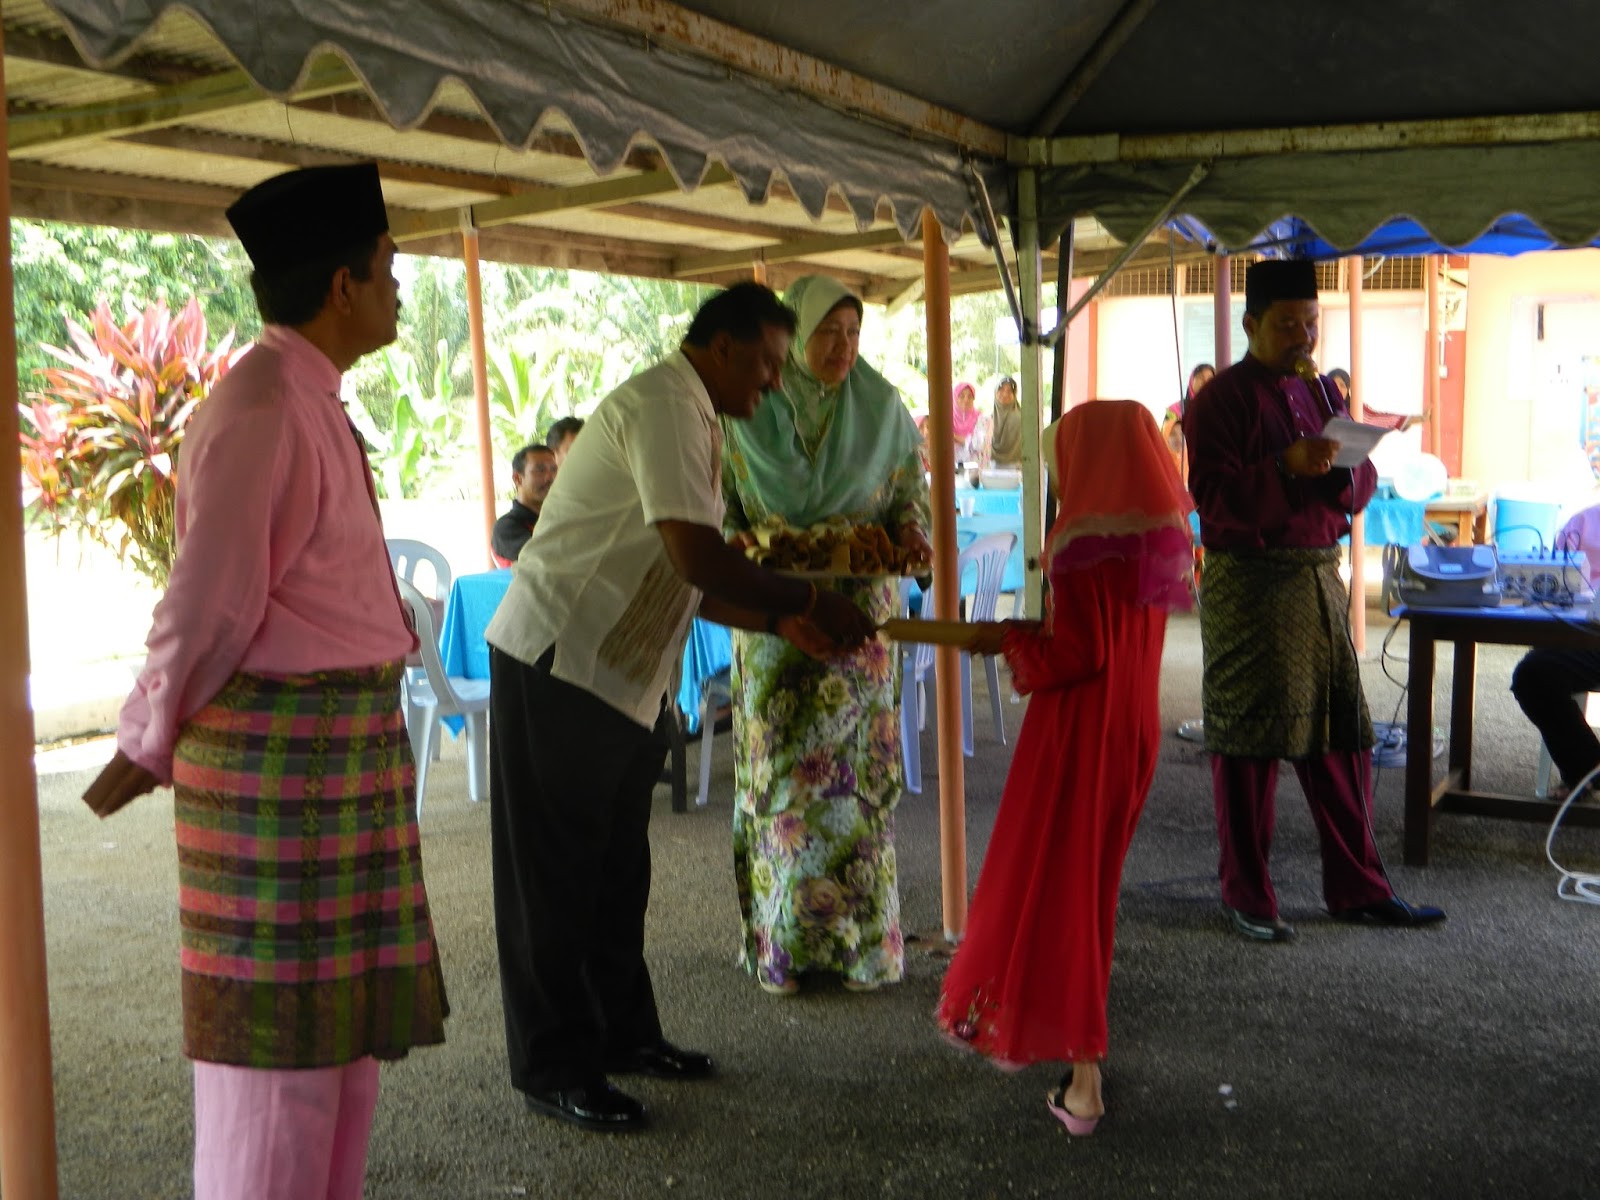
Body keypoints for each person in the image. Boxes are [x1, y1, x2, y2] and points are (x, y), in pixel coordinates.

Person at [80, 163, 448, 1200]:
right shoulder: (262, 406)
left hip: (330, 761)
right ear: (342, 286)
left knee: (338, 1059)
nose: (396, 291)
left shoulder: (301, 395)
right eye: (387, 269)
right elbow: (207, 603)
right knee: (272, 1073)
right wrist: (145, 740)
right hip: (278, 770)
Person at [483, 281, 877, 1133]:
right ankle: (554, 1064)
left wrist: (780, 617)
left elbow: (688, 574)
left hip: (623, 676)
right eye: (769, 364)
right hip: (561, 662)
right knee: (556, 878)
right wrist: (808, 597)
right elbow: (698, 557)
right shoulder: (667, 402)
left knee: (619, 870)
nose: (774, 384)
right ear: (724, 347)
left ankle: (624, 1036)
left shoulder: (698, 415)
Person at [936, 400, 1194, 1137]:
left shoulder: (1080, 538)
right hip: (1129, 729)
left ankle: (1084, 1078)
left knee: (1068, 899)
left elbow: (1076, 656)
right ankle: (1065, 1050)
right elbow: (1107, 640)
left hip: (1080, 732)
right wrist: (1023, 635)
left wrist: (1014, 645)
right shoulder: (1156, 532)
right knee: (1088, 893)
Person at [1183, 258, 1445, 942]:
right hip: (1252, 585)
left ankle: (1358, 886)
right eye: (1285, 325)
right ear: (1250, 326)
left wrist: (1340, 468)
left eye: (1310, 324)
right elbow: (1211, 499)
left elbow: (1358, 486)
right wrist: (1282, 468)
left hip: (1316, 581)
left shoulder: (1322, 390)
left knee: (1340, 737)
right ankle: (1247, 894)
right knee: (1248, 745)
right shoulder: (1220, 401)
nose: (1302, 338)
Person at [720, 274, 933, 996]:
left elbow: (912, 493)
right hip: (777, 615)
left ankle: (863, 950)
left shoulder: (881, 408)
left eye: (853, 334)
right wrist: (747, 550)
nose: (843, 347)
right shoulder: (748, 409)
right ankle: (784, 950)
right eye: (827, 333)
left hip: (859, 624)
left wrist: (911, 533)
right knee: (784, 778)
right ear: (796, 335)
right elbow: (714, 508)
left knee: (855, 785)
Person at [1512, 501, 1600, 798]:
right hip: (1585, 637)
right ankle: (1587, 769)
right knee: (1534, 674)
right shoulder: (1583, 523)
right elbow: (1550, 583)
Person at [491, 443, 557, 564]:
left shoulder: (558, 518)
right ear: (517, 478)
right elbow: (547, 560)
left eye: (554, 470)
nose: (550, 477)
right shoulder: (507, 527)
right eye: (540, 470)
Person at [1161, 362, 1214, 477]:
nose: (1205, 382)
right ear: (1191, 381)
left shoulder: (1219, 411)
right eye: (1200, 378)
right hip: (1179, 471)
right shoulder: (1175, 410)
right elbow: (1166, 441)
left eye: (1210, 379)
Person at [987, 375, 1022, 467]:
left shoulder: (1022, 418)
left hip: (1015, 465)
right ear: (995, 392)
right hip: (991, 464)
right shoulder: (987, 418)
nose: (1005, 394)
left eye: (1010, 391)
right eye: (1001, 390)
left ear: (1015, 395)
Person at [951, 379, 984, 461]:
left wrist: (955, 436)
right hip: (950, 464)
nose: (966, 400)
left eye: (970, 396)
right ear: (954, 397)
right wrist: (968, 441)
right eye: (961, 396)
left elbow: (978, 444)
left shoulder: (980, 418)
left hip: (975, 465)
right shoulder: (946, 418)